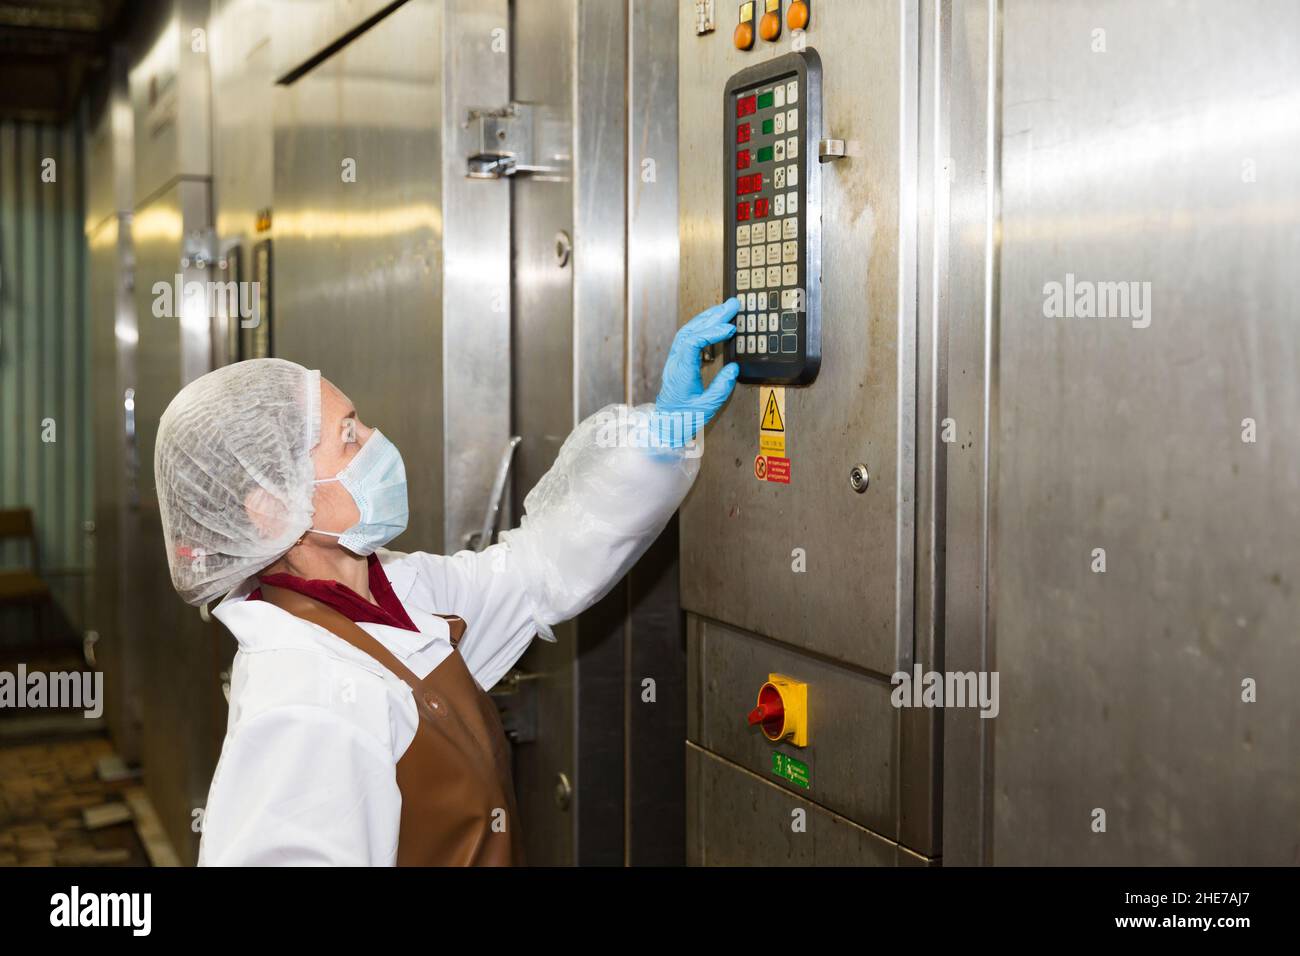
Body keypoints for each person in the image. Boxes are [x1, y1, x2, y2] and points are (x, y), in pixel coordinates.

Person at [153, 298, 742, 866]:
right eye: (348, 437)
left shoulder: (393, 592)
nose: (375, 444)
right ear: (273, 508)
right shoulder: (304, 698)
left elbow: (537, 568)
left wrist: (658, 436)